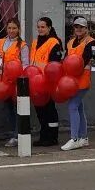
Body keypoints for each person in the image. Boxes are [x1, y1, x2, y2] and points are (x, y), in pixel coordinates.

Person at [62, 16, 95, 151]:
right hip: (71, 80)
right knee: (79, 107)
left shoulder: (91, 42)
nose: (79, 29)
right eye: (76, 27)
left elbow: (84, 60)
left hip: (82, 79)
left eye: (81, 27)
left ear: (86, 29)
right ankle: (84, 138)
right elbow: (66, 59)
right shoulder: (70, 42)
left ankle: (74, 138)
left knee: (72, 106)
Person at [30, 16, 63, 147]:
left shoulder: (54, 42)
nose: (40, 29)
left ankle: (52, 137)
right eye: (38, 27)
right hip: (35, 82)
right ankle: (43, 136)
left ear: (49, 28)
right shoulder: (35, 42)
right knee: (40, 111)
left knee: (49, 110)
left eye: (43, 27)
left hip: (48, 82)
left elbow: (55, 65)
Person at [0, 17, 29, 147]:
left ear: (19, 29)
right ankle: (11, 134)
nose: (11, 30)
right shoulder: (0, 42)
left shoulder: (22, 45)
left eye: (14, 28)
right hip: (3, 82)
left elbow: (25, 65)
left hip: (16, 82)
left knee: (17, 109)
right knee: (7, 109)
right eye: (9, 28)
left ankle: (17, 135)